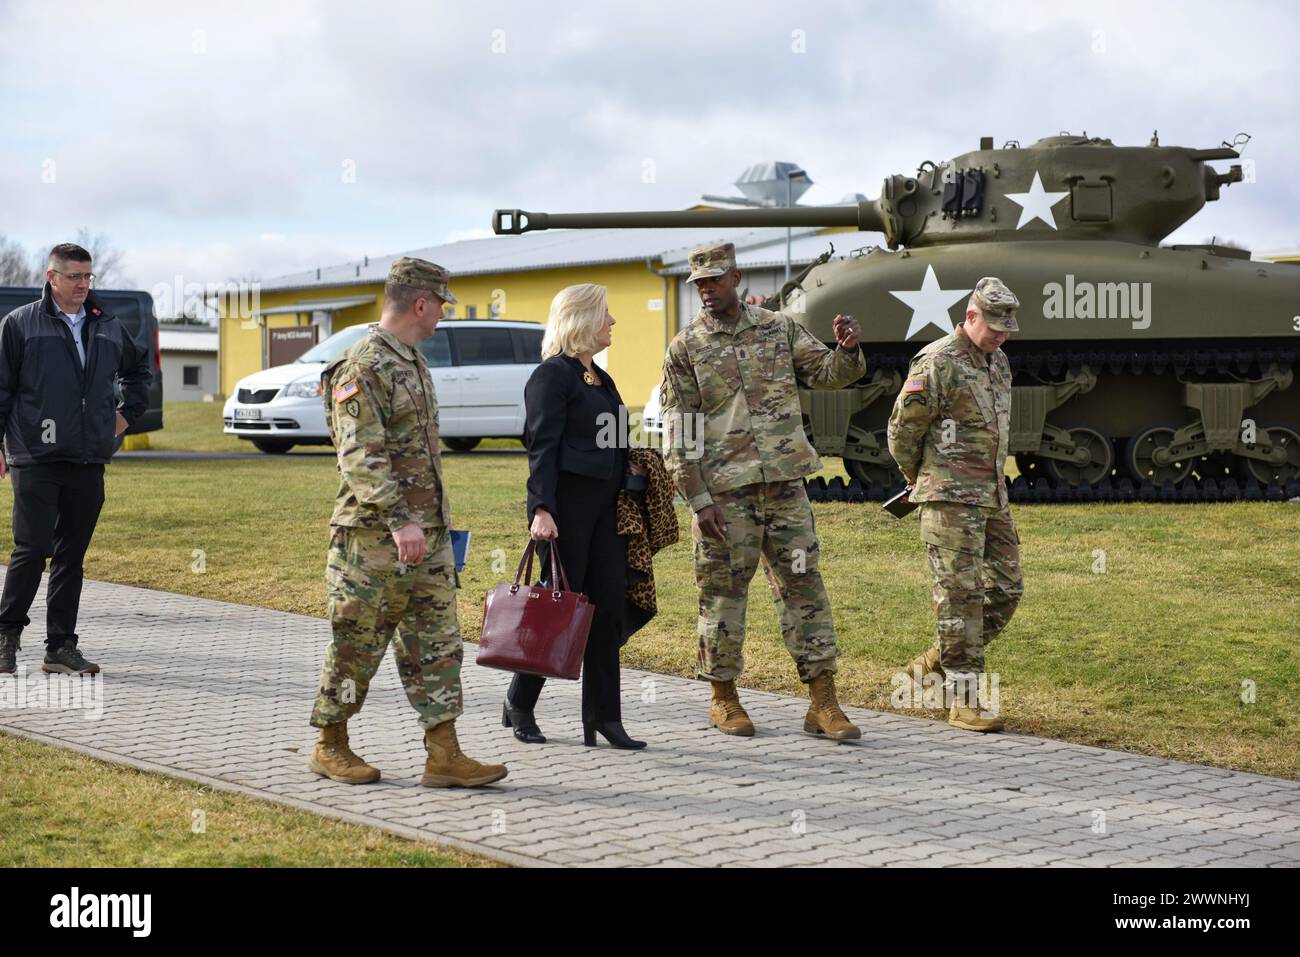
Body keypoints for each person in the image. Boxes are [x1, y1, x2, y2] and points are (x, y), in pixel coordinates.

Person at [308, 256, 506, 787]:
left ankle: (444, 753)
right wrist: (400, 522)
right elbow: (360, 455)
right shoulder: (363, 365)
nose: (443, 314)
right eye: (441, 304)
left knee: (437, 643)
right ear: (421, 303)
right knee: (357, 644)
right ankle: (330, 743)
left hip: (429, 535)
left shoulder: (412, 360)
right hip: (373, 539)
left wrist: (429, 525)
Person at [659, 242, 866, 741]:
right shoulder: (686, 348)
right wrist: (698, 498)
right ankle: (723, 698)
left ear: (736, 278)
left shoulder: (779, 328)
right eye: (699, 284)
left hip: (784, 486)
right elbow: (679, 428)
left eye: (715, 280)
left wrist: (848, 350)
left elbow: (827, 374)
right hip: (725, 494)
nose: (706, 290)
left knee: (805, 589)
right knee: (723, 595)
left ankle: (823, 703)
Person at [503, 283, 646, 750]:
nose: (612, 322)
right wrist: (541, 508)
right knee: (558, 609)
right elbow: (541, 446)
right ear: (582, 319)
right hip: (566, 511)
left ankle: (604, 716)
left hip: (607, 511)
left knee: (604, 612)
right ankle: (520, 702)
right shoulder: (552, 376)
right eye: (606, 314)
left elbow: (616, 436)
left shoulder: (601, 380)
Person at [0, 243, 152, 677]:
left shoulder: (107, 326)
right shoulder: (20, 325)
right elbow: (1, 390)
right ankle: (6, 638)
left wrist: (121, 419)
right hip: (35, 456)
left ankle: (60, 646)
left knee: (72, 555)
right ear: (52, 278)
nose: (83, 284)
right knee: (32, 550)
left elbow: (139, 373)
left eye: (88, 277)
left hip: (87, 459)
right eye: (74, 277)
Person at [886, 276, 1025, 733]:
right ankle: (964, 698)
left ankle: (933, 663)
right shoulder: (938, 361)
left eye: (1008, 326)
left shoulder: (998, 361)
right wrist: (919, 478)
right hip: (947, 497)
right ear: (970, 316)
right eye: (995, 324)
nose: (1002, 333)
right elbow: (902, 431)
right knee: (959, 598)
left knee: (1006, 589)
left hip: (991, 495)